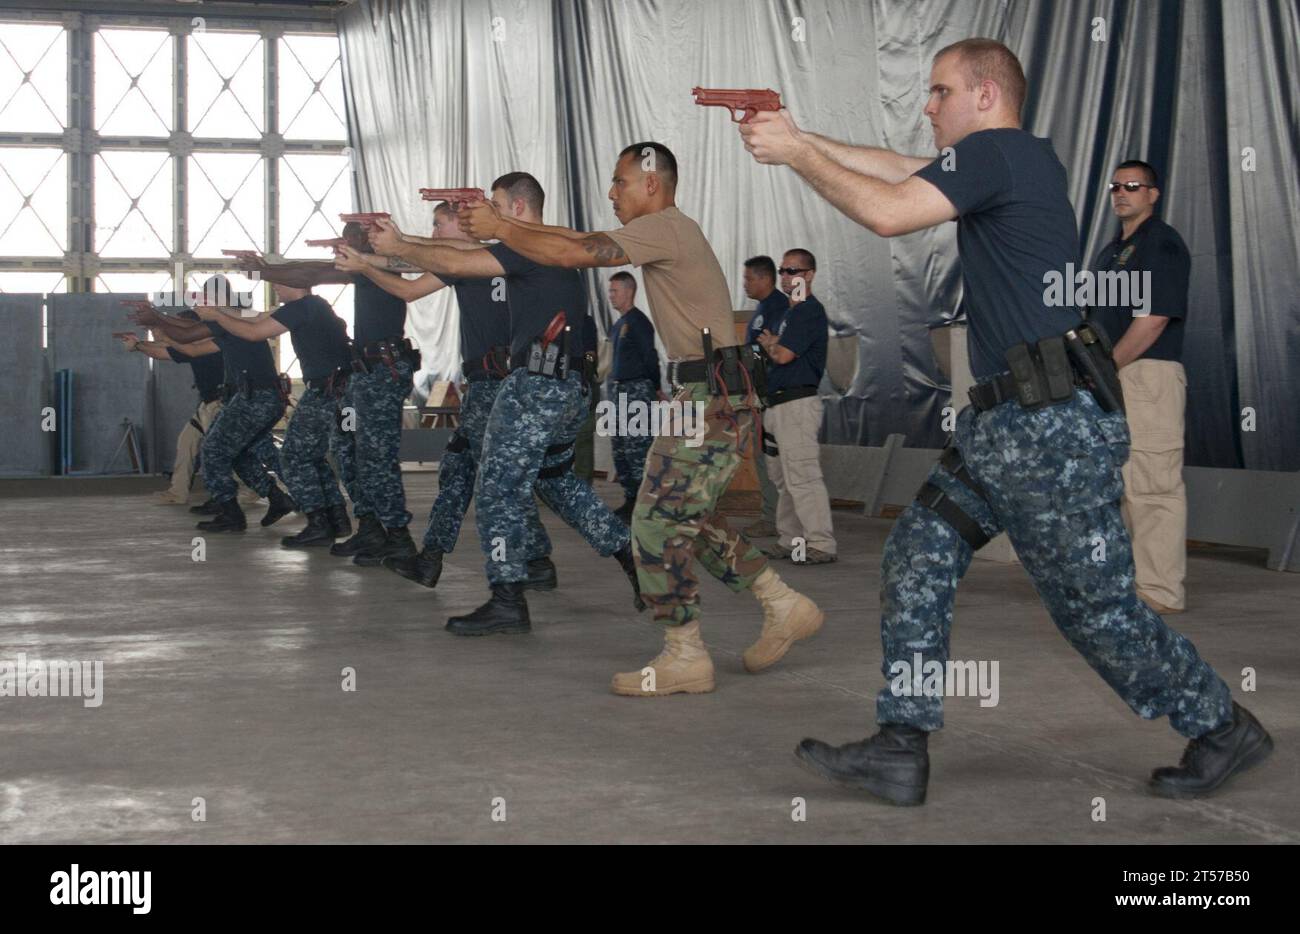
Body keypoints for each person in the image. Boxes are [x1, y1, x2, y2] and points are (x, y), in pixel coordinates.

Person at [739, 37, 1270, 801]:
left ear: (986, 96)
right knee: (916, 559)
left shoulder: (1003, 151)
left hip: (1046, 430)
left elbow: (890, 212)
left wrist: (792, 153)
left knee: (1095, 611)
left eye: (939, 92)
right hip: (1002, 429)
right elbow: (898, 171)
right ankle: (902, 743)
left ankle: (1220, 725)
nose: (928, 106)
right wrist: (802, 136)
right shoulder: (1001, 162)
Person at [459, 146, 823, 695]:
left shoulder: (664, 227)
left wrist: (503, 227)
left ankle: (686, 654)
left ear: (651, 184)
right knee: (687, 519)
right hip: (703, 392)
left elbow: (577, 249)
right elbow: (568, 242)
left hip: (710, 394)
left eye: (620, 182)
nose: (612, 193)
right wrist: (503, 228)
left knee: (654, 524)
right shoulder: (665, 230)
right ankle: (781, 602)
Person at [369, 172, 641, 634]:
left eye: (495, 204)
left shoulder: (526, 246)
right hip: (566, 388)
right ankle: (634, 559)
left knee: (497, 486)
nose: (489, 213)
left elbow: (458, 261)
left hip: (536, 387)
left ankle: (508, 596)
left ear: (516, 208)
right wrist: (402, 243)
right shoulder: (554, 243)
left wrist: (401, 245)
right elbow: (455, 256)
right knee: (557, 483)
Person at [333, 201, 556, 591]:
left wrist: (371, 262)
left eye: (439, 224)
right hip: (485, 384)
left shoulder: (494, 257)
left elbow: (409, 283)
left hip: (502, 383)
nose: (434, 232)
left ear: (459, 222)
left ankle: (532, 561)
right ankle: (436, 558)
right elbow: (405, 283)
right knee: (464, 471)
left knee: (505, 478)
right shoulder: (456, 264)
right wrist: (369, 260)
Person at [237, 224, 417, 565]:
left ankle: (395, 536)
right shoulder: (363, 270)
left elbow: (310, 276)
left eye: (349, 243)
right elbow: (316, 272)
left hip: (380, 373)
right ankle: (370, 527)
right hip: (362, 376)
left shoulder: (387, 264)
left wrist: (265, 270)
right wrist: (264, 269)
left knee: (375, 459)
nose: (341, 252)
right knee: (350, 454)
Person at [1088, 159, 1191, 615]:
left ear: (1153, 194)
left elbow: (1152, 321)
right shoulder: (1112, 252)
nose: (1122, 192)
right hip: (1112, 377)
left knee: (1152, 485)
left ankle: (1160, 591)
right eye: (1116, 186)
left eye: (1133, 186)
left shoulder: (1161, 244)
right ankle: (1134, 585)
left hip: (1146, 374)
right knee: (1123, 485)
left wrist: (1107, 368)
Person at [194, 282, 354, 547]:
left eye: (279, 282)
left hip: (327, 391)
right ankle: (333, 518)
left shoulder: (304, 306)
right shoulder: (305, 307)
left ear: (296, 282)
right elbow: (254, 320)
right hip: (330, 390)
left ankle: (320, 522)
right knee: (310, 457)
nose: (275, 288)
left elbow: (255, 330)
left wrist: (217, 315)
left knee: (294, 456)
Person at [144, 277, 296, 532]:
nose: (201, 305)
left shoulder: (239, 318)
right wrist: (155, 322)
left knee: (214, 450)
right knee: (239, 453)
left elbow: (187, 332)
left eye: (206, 298)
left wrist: (156, 318)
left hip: (255, 397)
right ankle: (279, 498)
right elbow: (189, 342)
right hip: (250, 398)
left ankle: (232, 512)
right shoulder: (226, 325)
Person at [756, 249, 836, 564]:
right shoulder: (790, 313)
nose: (787, 277)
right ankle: (791, 540)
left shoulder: (808, 312)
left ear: (810, 275)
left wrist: (773, 345)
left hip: (797, 404)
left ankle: (821, 543)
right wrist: (773, 344)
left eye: (794, 270)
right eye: (783, 271)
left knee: (802, 475)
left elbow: (784, 356)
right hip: (778, 404)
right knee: (782, 478)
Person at [605, 271, 661, 522]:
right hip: (618, 393)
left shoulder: (638, 322)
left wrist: (656, 388)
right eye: (610, 291)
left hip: (636, 391)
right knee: (621, 450)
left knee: (637, 450)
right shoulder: (618, 324)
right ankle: (630, 500)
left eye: (615, 290)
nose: (611, 296)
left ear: (629, 292)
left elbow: (650, 357)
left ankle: (645, 503)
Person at [741, 256, 789, 537]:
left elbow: (774, 349)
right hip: (760, 393)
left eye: (749, 278)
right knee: (763, 456)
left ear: (765, 279)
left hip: (774, 393)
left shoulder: (779, 308)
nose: (745, 284)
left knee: (773, 458)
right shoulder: (763, 309)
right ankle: (772, 515)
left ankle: (776, 518)